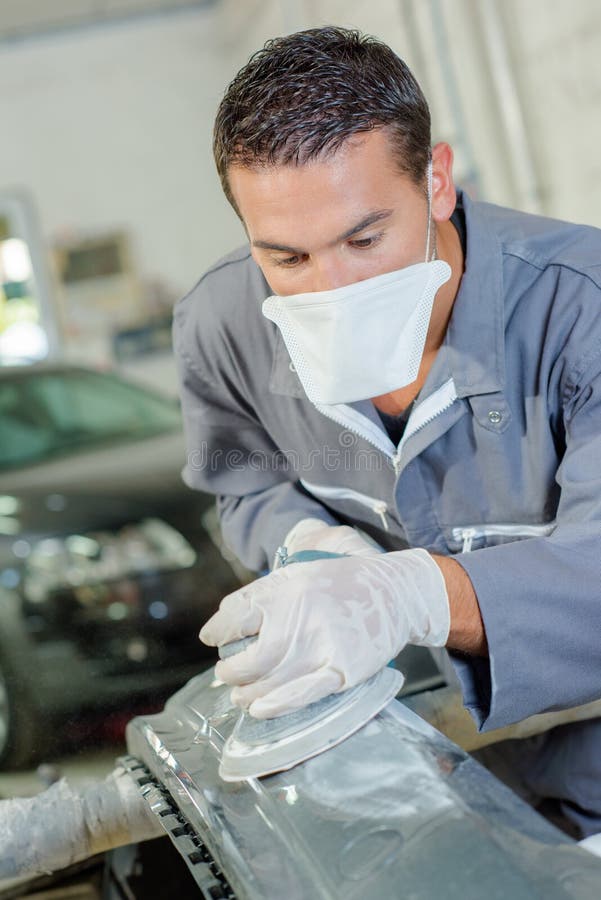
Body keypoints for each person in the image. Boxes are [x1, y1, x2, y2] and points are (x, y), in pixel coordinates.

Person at [173, 27, 601, 837]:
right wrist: (306, 542)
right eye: (287, 257)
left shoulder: (582, 310)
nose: (333, 287)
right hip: (398, 778)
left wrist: (411, 596)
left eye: (364, 239)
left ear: (436, 181)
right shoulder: (221, 322)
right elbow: (243, 481)